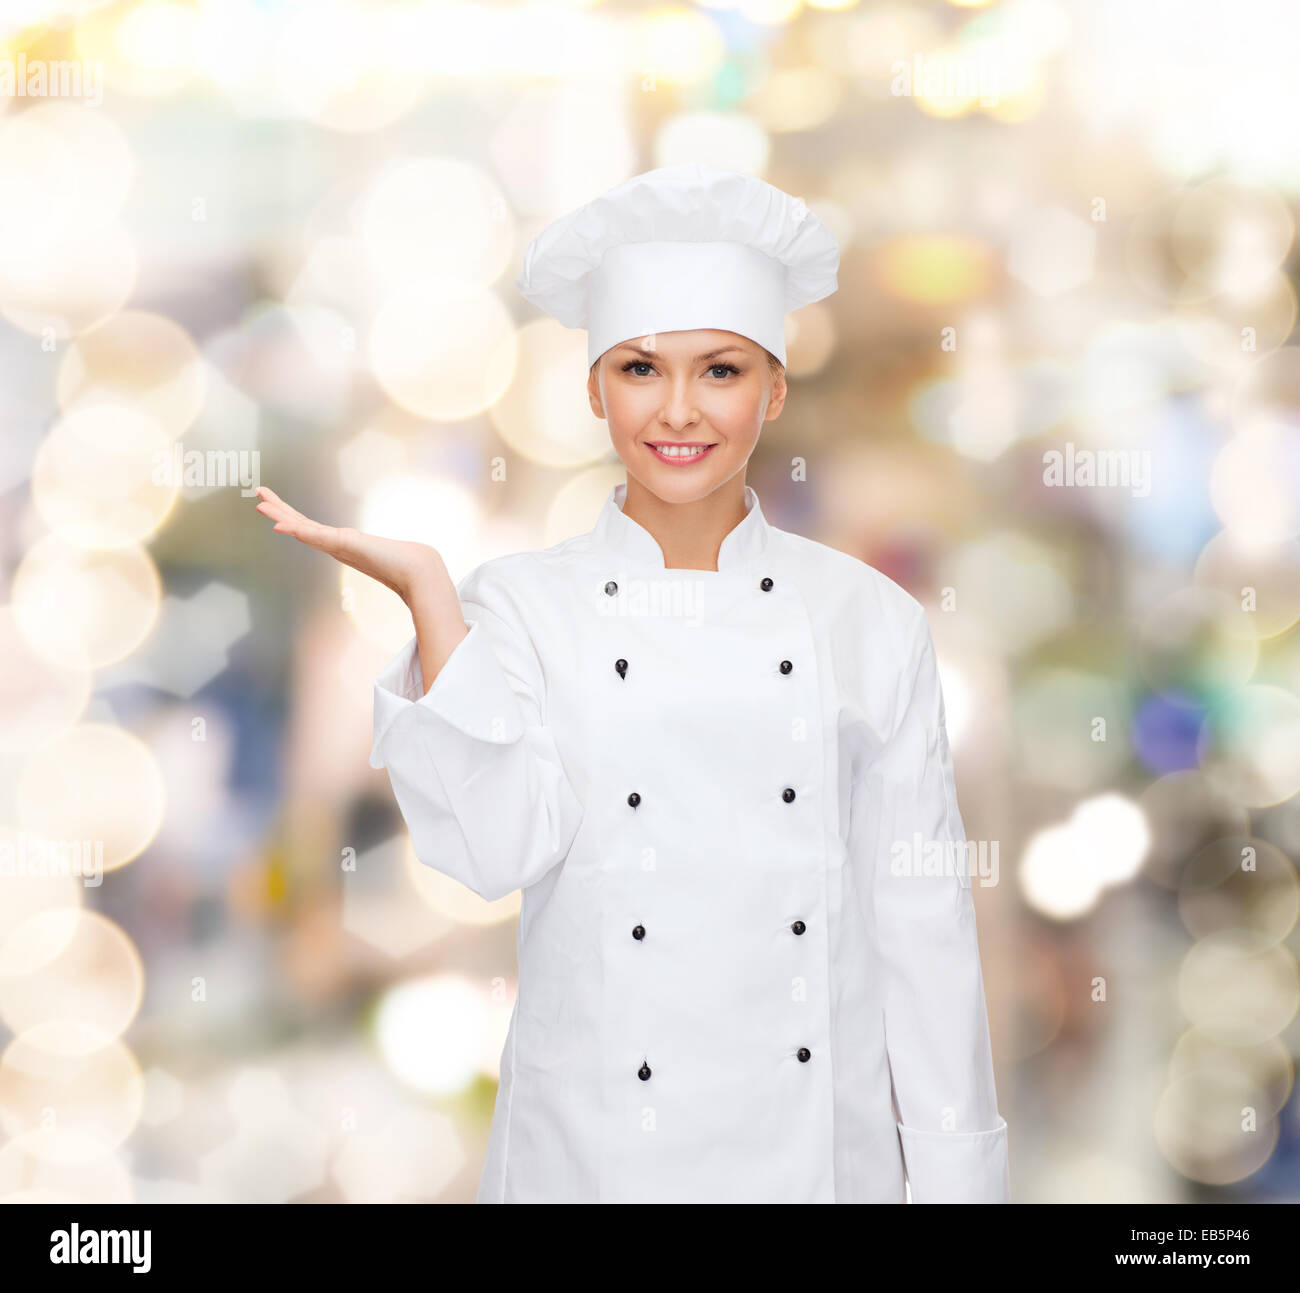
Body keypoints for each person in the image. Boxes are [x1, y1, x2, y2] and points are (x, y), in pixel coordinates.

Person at [254, 162, 1011, 1204]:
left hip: (815, 1162)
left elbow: (921, 929)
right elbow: (490, 849)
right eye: (642, 370)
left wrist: (959, 1179)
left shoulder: (867, 619)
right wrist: (433, 599)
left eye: (723, 371)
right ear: (595, 387)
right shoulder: (518, 606)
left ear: (775, 387)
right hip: (595, 1156)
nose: (680, 411)